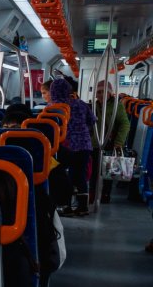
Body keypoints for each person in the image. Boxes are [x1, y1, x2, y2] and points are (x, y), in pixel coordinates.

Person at [50, 77, 95, 217]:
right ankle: (83, 207)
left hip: (64, 145)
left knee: (63, 175)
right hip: (84, 144)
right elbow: (92, 120)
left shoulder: (52, 108)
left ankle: (65, 205)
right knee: (80, 175)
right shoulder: (81, 104)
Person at [92, 81, 129, 204]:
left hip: (110, 141)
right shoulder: (93, 105)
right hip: (95, 141)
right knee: (94, 170)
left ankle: (106, 194)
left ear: (109, 93)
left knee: (108, 170)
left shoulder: (117, 106)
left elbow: (124, 124)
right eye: (98, 92)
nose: (100, 95)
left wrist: (118, 142)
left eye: (103, 92)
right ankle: (92, 194)